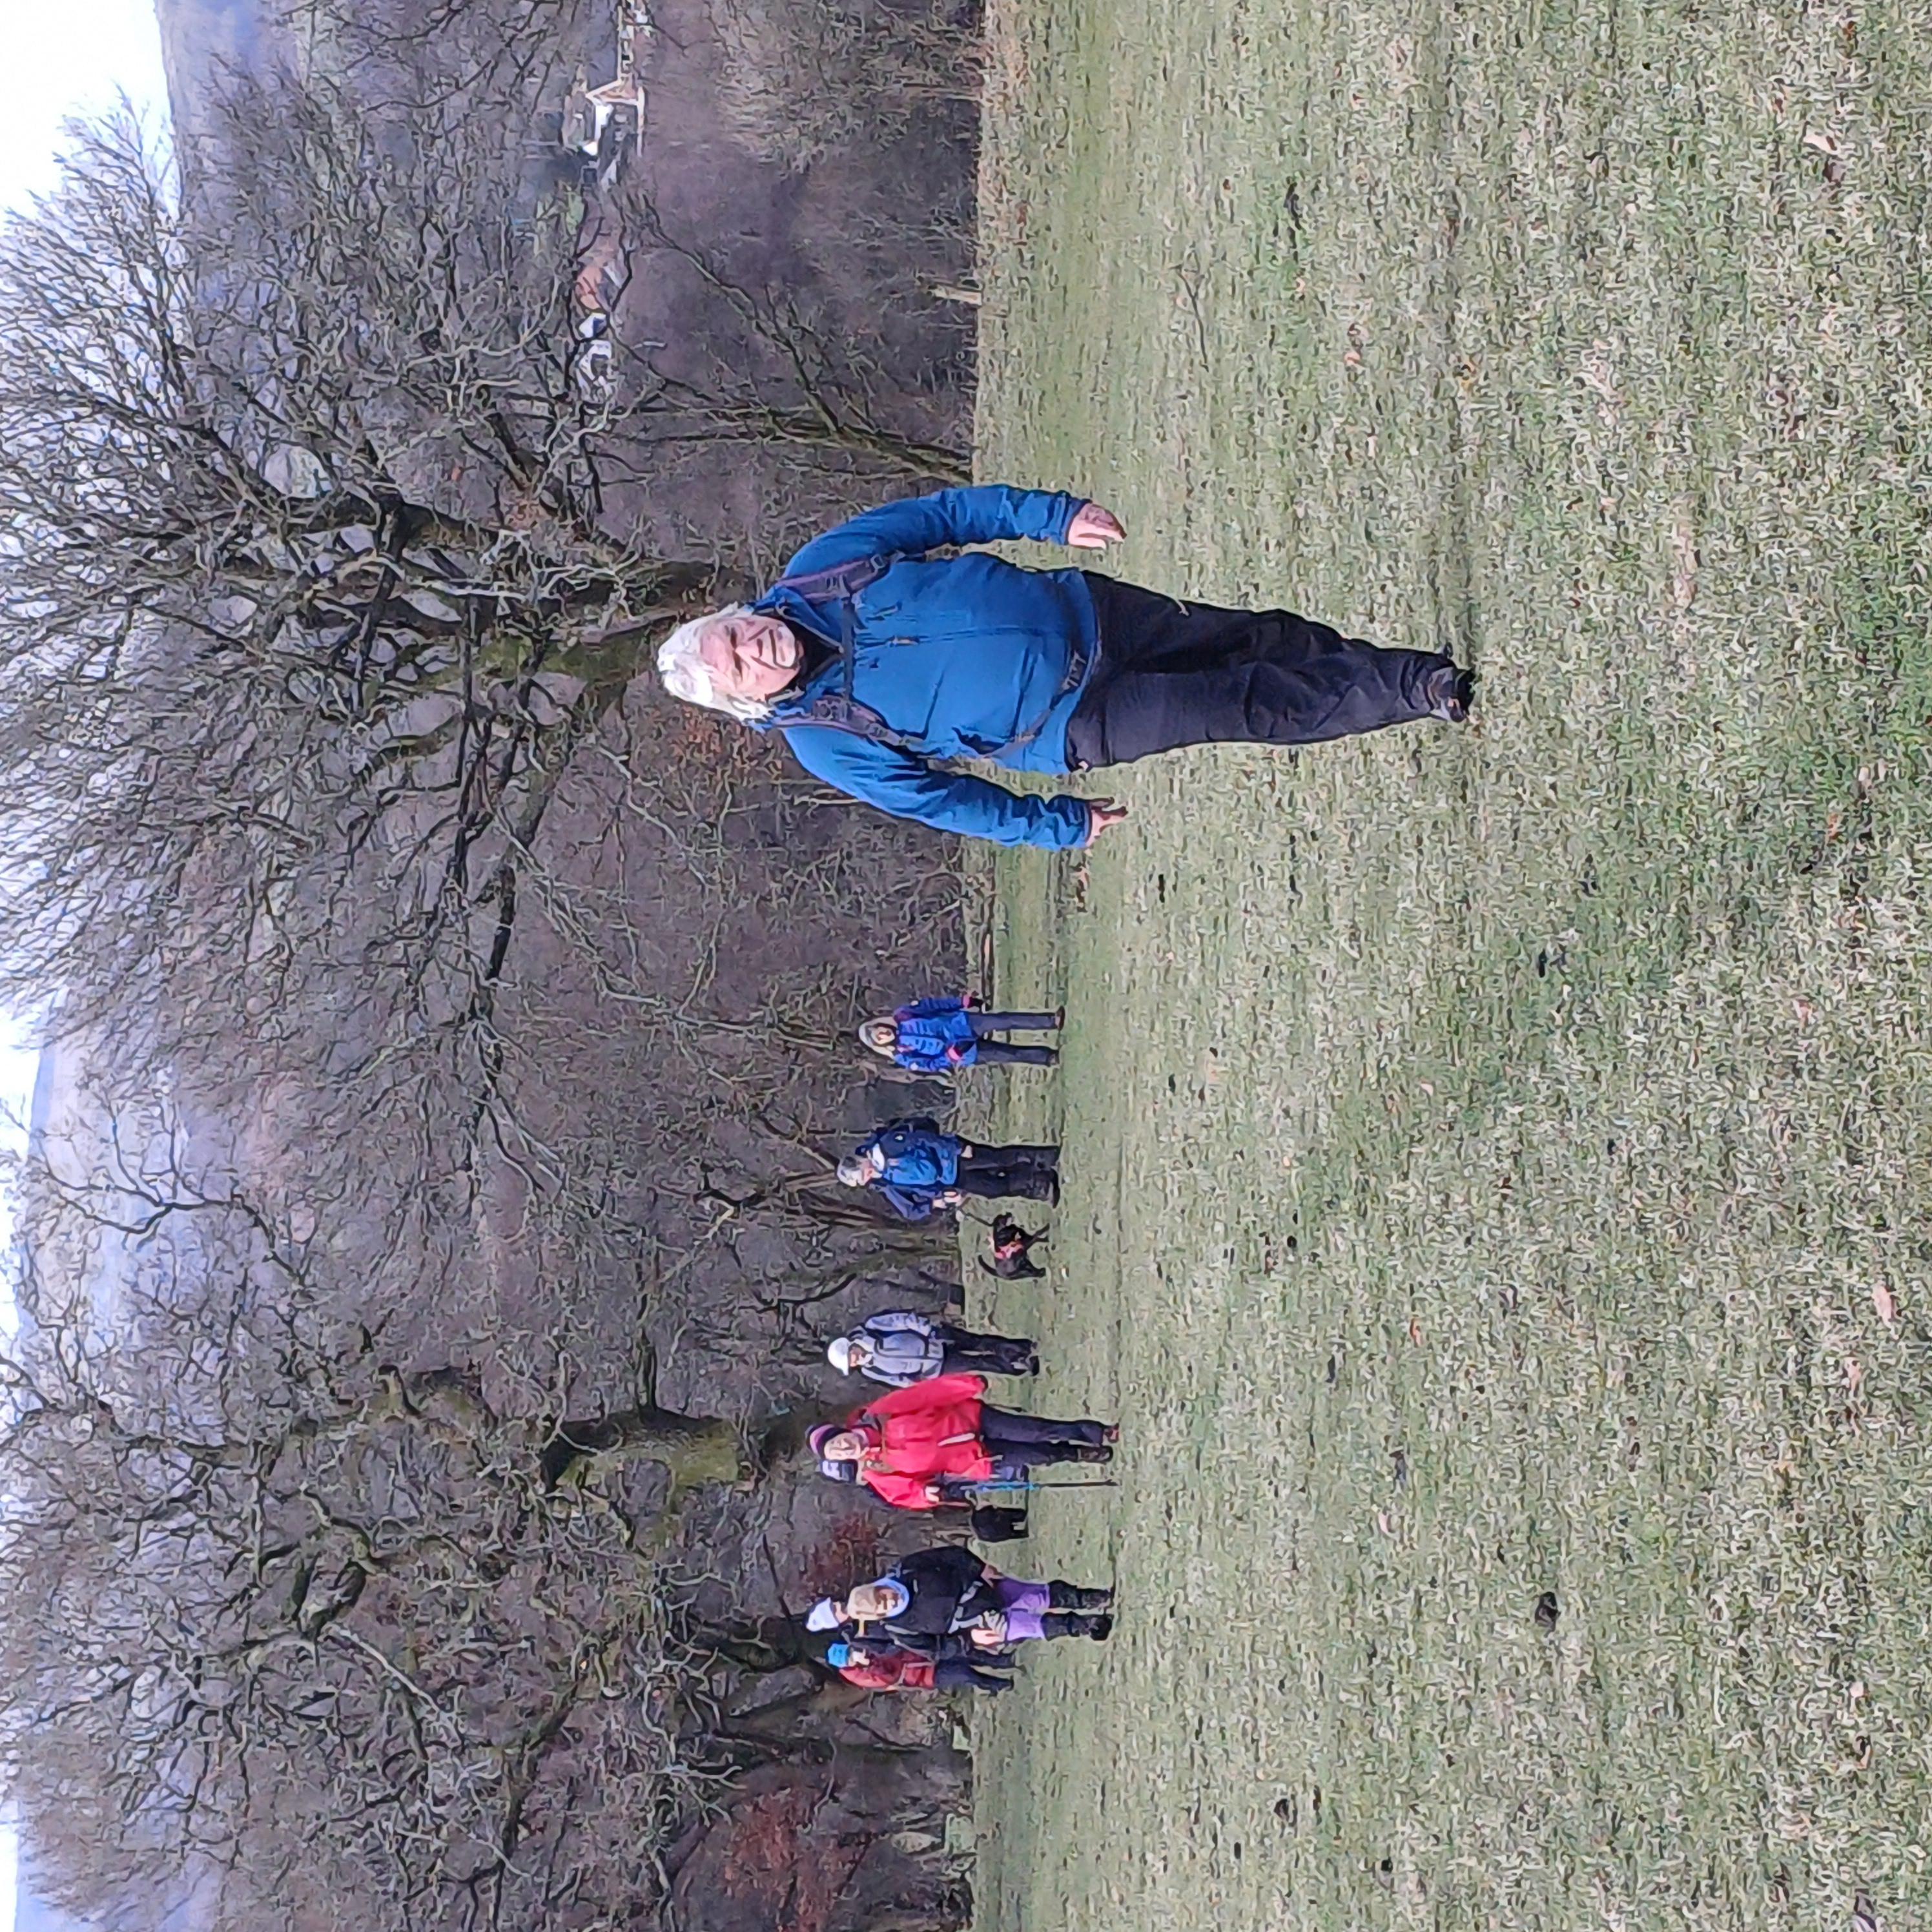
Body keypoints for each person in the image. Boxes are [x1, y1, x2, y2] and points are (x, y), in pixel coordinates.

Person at [655, 483, 1474, 850]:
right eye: (740, 667)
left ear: (743, 611)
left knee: (1253, 641)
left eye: (739, 631)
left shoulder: (824, 569)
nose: (754, 647)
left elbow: (943, 513)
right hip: (1071, 726)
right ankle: (1415, 687)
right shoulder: (825, 743)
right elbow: (944, 801)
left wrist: (1051, 516)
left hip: (1090, 609)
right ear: (744, 702)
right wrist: (1055, 824)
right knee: (1247, 708)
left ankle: (1385, 669)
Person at [807, 1371, 1115, 1512]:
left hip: (973, 1419)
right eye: (838, 1454)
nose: (845, 1448)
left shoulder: (881, 1414)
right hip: (973, 1460)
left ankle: (1096, 1434)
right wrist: (927, 1494)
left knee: (1037, 1431)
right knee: (1037, 1456)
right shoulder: (877, 1471)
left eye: (838, 1442)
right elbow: (905, 1494)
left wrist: (966, 1385)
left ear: (842, 1431)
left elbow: (925, 1394)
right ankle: (1076, 1455)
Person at [806, 1544, 1114, 1647]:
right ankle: (1087, 1626)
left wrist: (979, 1568)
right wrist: (971, 1641)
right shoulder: (900, 1630)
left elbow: (950, 1555)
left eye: (883, 1595)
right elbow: (938, 1649)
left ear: (879, 1586)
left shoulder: (907, 1568)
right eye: (882, 1607)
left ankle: (1092, 1598)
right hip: (977, 1623)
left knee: (1039, 1596)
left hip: (983, 1587)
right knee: (1032, 1626)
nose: (889, 1601)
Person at [836, 1118, 1058, 1220]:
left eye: (861, 1174)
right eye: (860, 1182)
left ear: (861, 1160)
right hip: (951, 1181)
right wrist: (937, 1201)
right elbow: (909, 1209)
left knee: (1000, 1159)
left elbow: (923, 1139)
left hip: (953, 1157)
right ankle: (1041, 1185)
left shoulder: (888, 1145)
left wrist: (957, 1148)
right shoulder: (884, 1184)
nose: (866, 1178)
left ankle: (1044, 1157)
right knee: (995, 1189)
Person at [827, 1310, 1038, 1385]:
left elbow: (903, 1320)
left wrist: (927, 1329)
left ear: (850, 1347)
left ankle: (1021, 1349)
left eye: (850, 1358)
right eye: (850, 1364)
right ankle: (1018, 1368)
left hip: (936, 1338)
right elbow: (896, 1380)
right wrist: (918, 1385)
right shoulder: (869, 1370)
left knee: (979, 1342)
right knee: (979, 1363)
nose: (854, 1362)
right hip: (935, 1369)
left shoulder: (872, 1327)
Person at [858, 994, 1062, 1072]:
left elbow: (934, 1004)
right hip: (962, 1052)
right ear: (880, 1044)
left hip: (961, 1023)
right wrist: (951, 1056)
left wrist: (963, 1002)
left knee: (1005, 1020)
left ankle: (1051, 1020)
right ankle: (1048, 1057)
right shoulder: (902, 1056)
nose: (884, 1034)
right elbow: (930, 1065)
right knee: (1008, 1054)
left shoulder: (903, 1015)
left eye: (881, 1030)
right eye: (880, 1037)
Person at [825, 1639, 1016, 1696]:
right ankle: (997, 1684)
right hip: (921, 1676)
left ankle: (1002, 1661)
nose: (854, 1655)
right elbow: (887, 1679)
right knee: (963, 1673)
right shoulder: (860, 1676)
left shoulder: (865, 1645)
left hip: (921, 1654)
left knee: (965, 1655)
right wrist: (870, 1664)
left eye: (851, 1651)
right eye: (849, 1657)